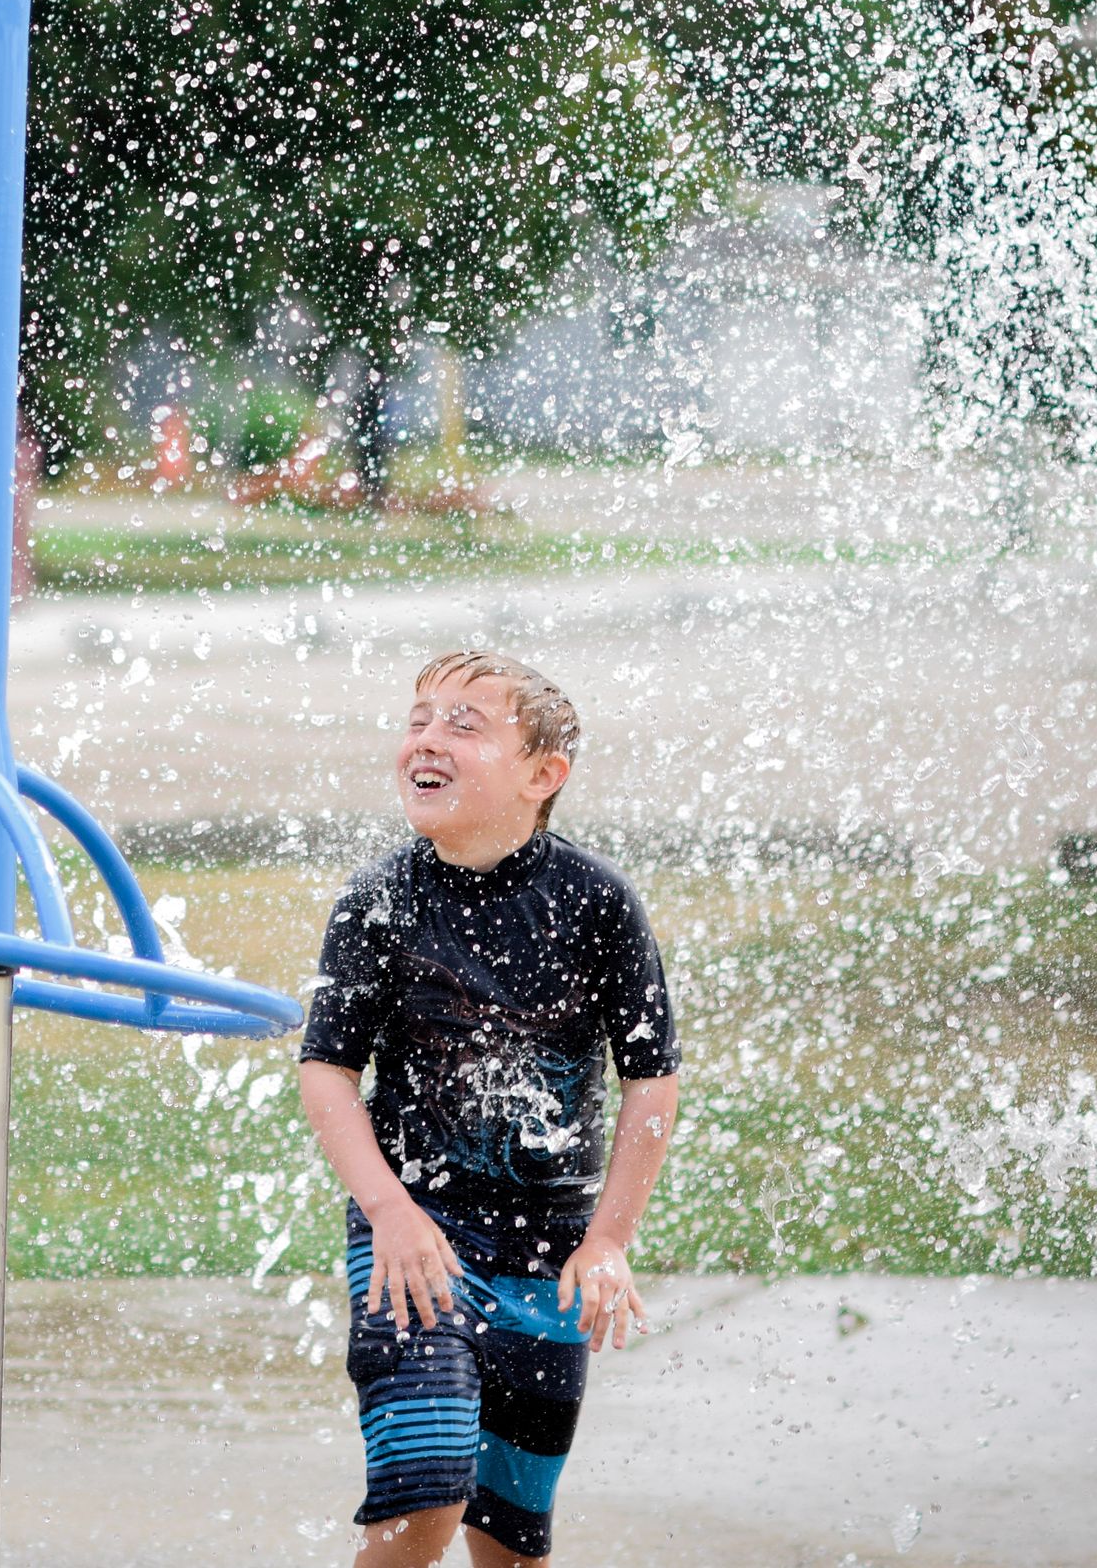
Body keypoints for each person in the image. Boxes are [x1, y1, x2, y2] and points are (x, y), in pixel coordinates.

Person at [298, 649, 681, 1568]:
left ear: (544, 776)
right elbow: (327, 1073)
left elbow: (651, 1083)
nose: (426, 738)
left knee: (510, 1534)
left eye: (464, 724)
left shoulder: (596, 905)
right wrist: (388, 1211)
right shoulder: (381, 900)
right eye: (418, 718)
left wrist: (608, 1240)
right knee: (423, 1497)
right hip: (415, 1242)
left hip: (549, 1255)